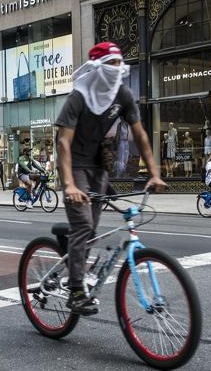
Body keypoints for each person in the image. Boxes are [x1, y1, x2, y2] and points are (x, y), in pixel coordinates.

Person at [56, 41, 165, 316]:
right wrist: (68, 184)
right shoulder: (78, 96)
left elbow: (139, 134)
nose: (117, 69)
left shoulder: (123, 94)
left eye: (120, 64)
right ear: (97, 68)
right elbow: (63, 143)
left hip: (98, 167)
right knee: (83, 226)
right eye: (111, 64)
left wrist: (154, 172)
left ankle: (68, 246)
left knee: (91, 229)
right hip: (75, 166)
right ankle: (76, 291)